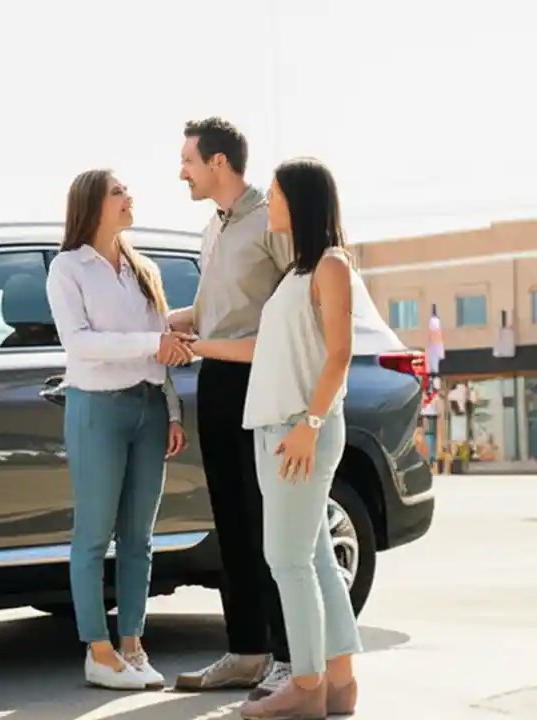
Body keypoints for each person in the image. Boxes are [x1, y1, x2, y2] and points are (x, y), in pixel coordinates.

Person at [190, 156, 363, 718]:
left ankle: (305, 686)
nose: (272, 203)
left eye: (281, 195)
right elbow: (264, 349)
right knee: (310, 557)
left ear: (302, 202)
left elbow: (340, 355)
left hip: (299, 429)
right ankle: (338, 682)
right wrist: (193, 342)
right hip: (276, 426)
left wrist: (310, 426)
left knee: (285, 558)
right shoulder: (295, 273)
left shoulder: (332, 266)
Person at [45, 168, 190, 690]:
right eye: (118, 191)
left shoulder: (142, 267)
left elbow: (162, 344)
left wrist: (171, 410)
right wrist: (151, 345)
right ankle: (98, 651)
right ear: (92, 204)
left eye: (127, 190)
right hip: (97, 409)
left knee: (139, 539)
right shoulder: (68, 268)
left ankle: (132, 645)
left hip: (149, 409)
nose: (129, 196)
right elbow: (79, 343)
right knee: (93, 536)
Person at [168, 117, 295, 698]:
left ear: (218, 163)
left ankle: (292, 661)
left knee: (268, 525)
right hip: (215, 382)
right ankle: (247, 651)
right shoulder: (212, 229)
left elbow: (303, 302)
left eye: (189, 161)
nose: (182, 171)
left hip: (261, 382)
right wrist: (147, 324)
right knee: (231, 526)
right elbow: (208, 310)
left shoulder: (271, 221)